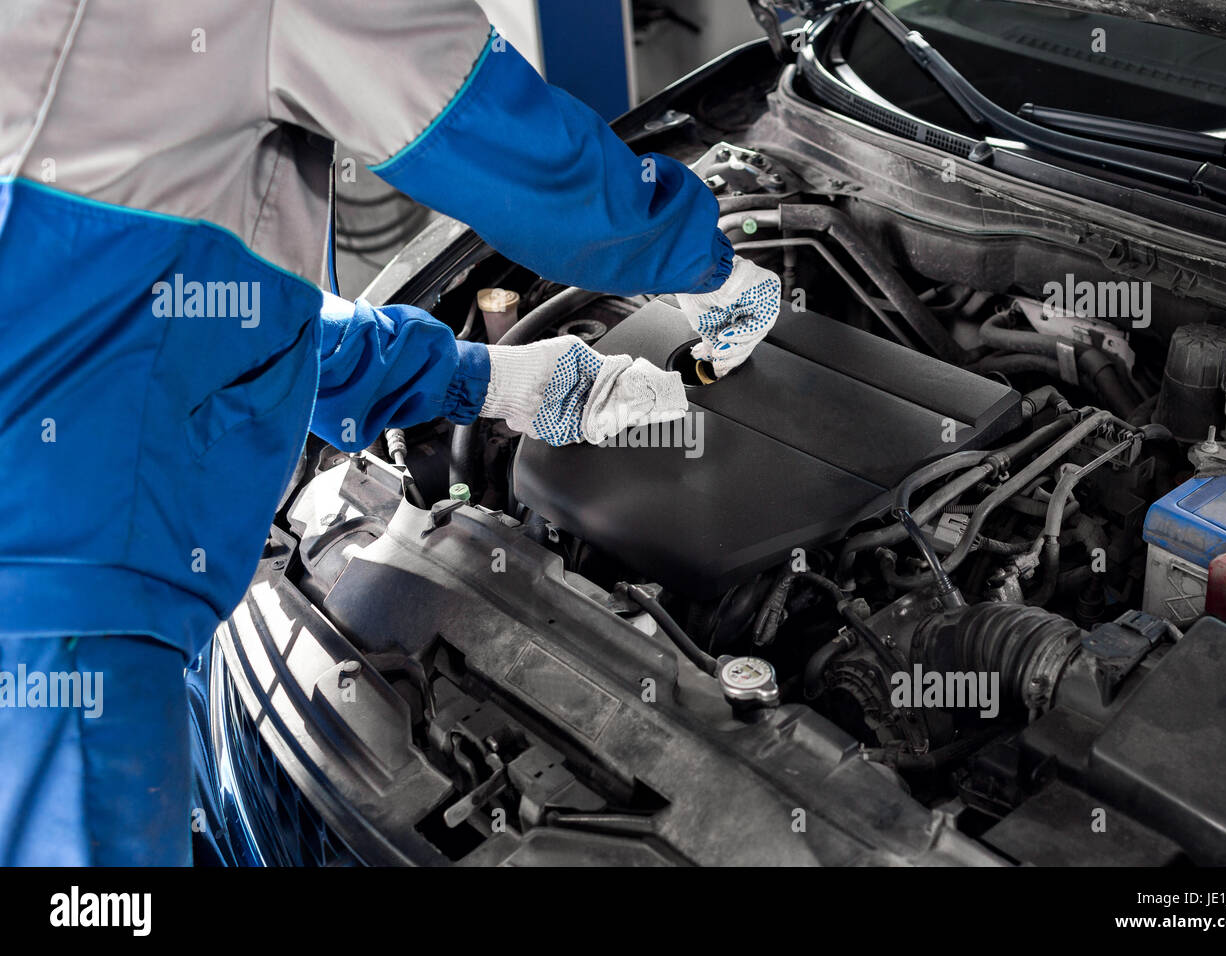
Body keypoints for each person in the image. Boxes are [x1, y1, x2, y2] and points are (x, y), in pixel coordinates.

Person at [0, 1, 780, 864]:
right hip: (57, 617)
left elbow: (195, 311)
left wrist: (482, 380)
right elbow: (493, 135)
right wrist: (702, 258)